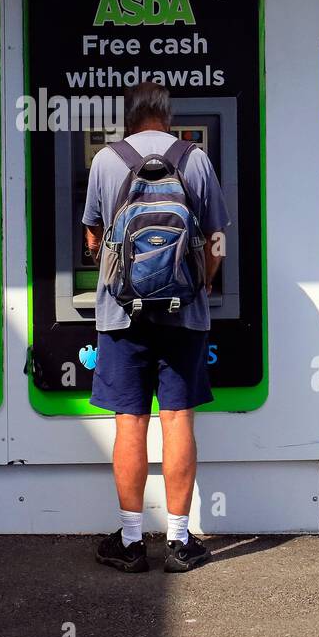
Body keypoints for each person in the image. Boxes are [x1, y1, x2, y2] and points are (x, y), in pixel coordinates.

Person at [81, 83, 230, 573]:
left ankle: (129, 542)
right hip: (183, 314)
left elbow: (93, 238)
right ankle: (180, 541)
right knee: (178, 419)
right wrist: (199, 285)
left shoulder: (106, 160)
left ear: (129, 117)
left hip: (122, 314)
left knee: (130, 422)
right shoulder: (196, 158)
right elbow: (215, 240)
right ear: (169, 117)